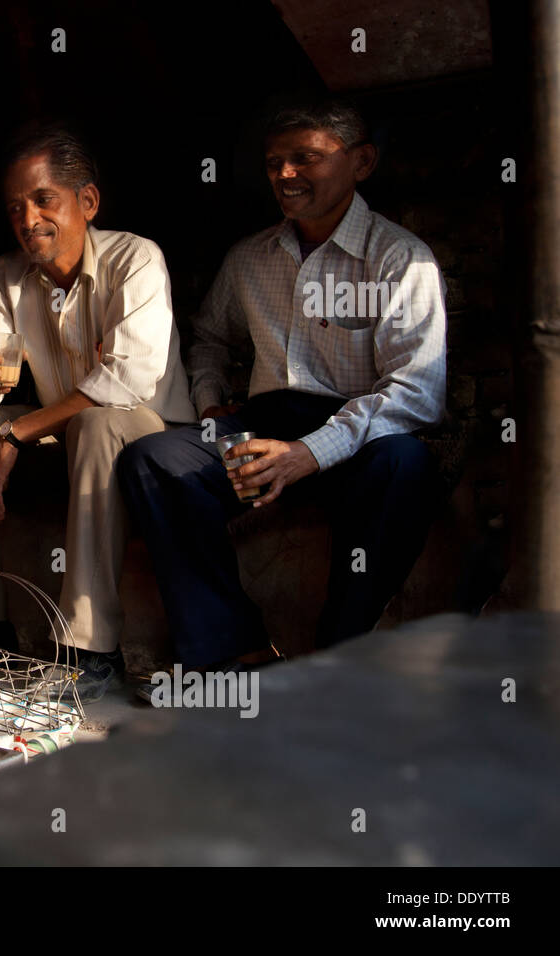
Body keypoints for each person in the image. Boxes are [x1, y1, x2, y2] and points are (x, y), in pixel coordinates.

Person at [119, 102, 447, 681]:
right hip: (265, 423)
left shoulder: (399, 259)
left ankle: (335, 657)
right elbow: (209, 340)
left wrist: (307, 455)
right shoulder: (250, 257)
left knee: (407, 462)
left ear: (362, 162)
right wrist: (212, 405)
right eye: (276, 163)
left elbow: (415, 393)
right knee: (155, 459)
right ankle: (233, 649)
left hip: (356, 440)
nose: (287, 175)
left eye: (308, 159)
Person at [0, 125, 196, 701]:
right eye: (15, 207)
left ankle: (89, 649)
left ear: (88, 202)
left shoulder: (136, 258)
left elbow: (128, 380)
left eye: (44, 199)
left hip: (149, 432)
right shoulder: (5, 273)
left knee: (96, 421)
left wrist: (16, 434)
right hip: (60, 425)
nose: (28, 219)